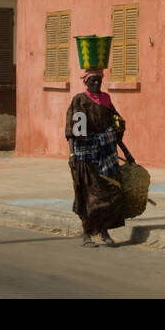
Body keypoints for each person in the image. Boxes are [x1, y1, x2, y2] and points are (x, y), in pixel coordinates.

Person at [66, 69, 135, 247]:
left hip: (107, 155)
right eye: (93, 81)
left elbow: (116, 126)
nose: (96, 84)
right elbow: (72, 130)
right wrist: (72, 153)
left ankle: (104, 231)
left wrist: (126, 152)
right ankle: (87, 234)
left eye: (99, 80)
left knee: (111, 193)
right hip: (86, 156)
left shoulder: (106, 100)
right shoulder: (79, 100)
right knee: (88, 195)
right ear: (86, 82)